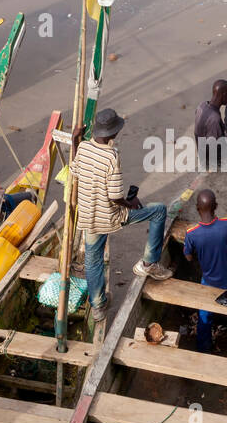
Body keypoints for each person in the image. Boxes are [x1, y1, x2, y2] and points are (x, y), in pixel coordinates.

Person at [71, 108, 173, 322]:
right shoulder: (111, 156)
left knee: (93, 260)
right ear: (112, 133)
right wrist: (131, 203)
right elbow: (115, 196)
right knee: (158, 211)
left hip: (88, 216)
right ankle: (147, 264)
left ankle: (98, 306)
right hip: (110, 215)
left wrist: (74, 140)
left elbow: (75, 171)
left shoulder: (82, 147)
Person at [183, 189, 227, 359]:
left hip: (211, 282)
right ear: (216, 207)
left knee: (204, 314)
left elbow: (189, 257)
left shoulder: (192, 233)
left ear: (198, 208)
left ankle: (203, 347)